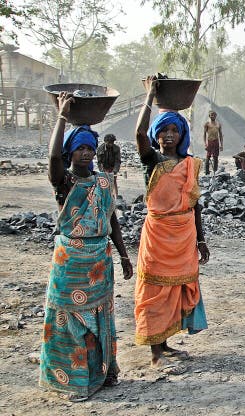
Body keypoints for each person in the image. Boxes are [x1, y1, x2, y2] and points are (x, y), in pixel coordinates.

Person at [40, 92, 133, 402]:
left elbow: (113, 220)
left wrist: (123, 255)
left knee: (99, 319)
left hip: (98, 260)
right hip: (70, 260)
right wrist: (62, 116)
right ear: (70, 152)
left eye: (89, 149)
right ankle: (71, 380)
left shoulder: (103, 182)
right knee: (68, 320)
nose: (84, 154)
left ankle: (102, 374)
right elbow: (53, 159)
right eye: (78, 148)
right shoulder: (63, 182)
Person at [133, 76, 210, 374]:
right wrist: (150, 94)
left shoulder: (190, 164)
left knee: (176, 289)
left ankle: (164, 344)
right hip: (158, 234)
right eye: (163, 130)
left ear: (182, 135)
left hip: (185, 233)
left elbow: (195, 204)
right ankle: (155, 353)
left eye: (173, 130)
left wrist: (201, 240)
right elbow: (139, 133)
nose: (168, 135)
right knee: (154, 289)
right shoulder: (151, 160)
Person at [203, 110, 223, 175]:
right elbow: (204, 134)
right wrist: (205, 144)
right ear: (209, 116)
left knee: (215, 157)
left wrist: (221, 145)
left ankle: (215, 171)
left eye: (214, 115)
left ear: (216, 116)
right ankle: (207, 172)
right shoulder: (207, 124)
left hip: (216, 141)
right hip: (210, 141)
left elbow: (220, 135)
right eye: (211, 115)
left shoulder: (218, 124)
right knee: (208, 156)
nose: (213, 116)